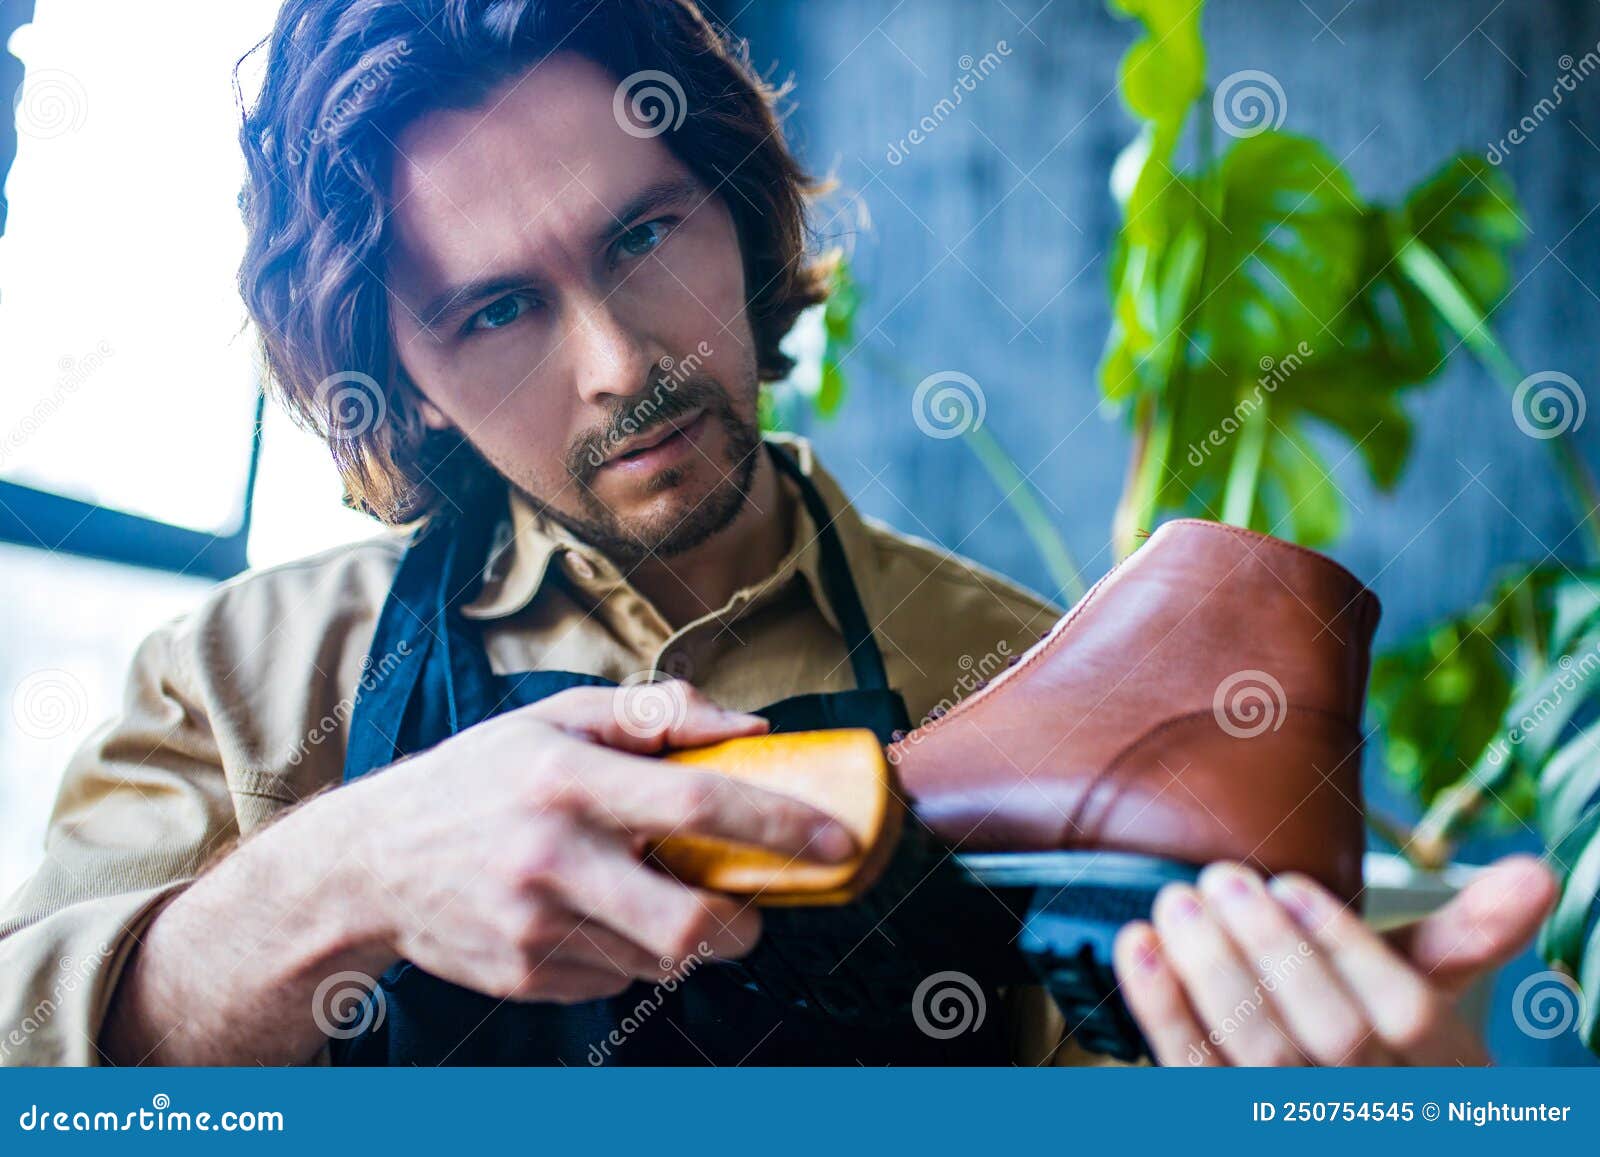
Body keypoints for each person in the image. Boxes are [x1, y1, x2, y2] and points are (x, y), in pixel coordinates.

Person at [0, 0, 1555, 1067]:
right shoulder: (249, 682)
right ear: (398, 383)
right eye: (494, 311)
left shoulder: (1021, 674)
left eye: (644, 232)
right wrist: (346, 874)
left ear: (743, 210)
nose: (618, 363)